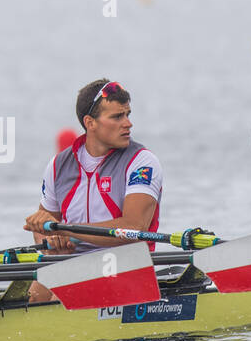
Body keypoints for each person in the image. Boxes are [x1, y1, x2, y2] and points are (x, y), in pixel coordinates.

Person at [23, 80, 163, 302]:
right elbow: (45, 228)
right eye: (117, 117)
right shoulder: (58, 166)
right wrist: (51, 241)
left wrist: (67, 231)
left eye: (127, 114)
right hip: (76, 264)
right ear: (90, 123)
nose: (128, 123)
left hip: (126, 265)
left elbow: (133, 227)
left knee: (58, 299)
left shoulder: (141, 162)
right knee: (35, 294)